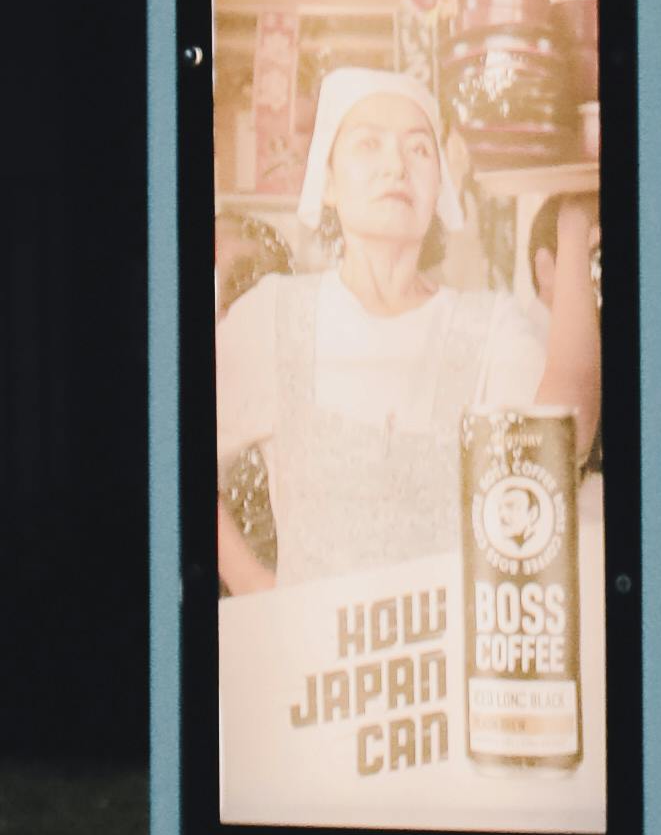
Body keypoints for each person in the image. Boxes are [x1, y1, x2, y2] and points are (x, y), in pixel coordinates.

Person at [215, 62, 600, 590]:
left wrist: (574, 220)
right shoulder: (274, 316)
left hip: (449, 644)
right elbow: (171, 447)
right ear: (328, 182)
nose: (395, 166)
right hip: (310, 644)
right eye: (368, 145)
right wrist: (256, 587)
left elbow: (566, 437)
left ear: (439, 187)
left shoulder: (487, 326)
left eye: (419, 149)